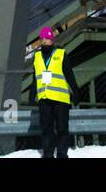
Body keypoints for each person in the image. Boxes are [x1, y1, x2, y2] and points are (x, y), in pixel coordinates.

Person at [31, 26, 74, 159]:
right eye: (43, 38)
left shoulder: (61, 54)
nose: (45, 41)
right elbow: (35, 77)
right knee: (46, 129)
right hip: (44, 98)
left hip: (60, 98)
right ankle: (48, 153)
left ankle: (62, 153)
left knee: (62, 128)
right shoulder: (37, 56)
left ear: (52, 40)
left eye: (48, 39)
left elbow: (69, 75)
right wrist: (32, 94)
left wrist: (76, 92)